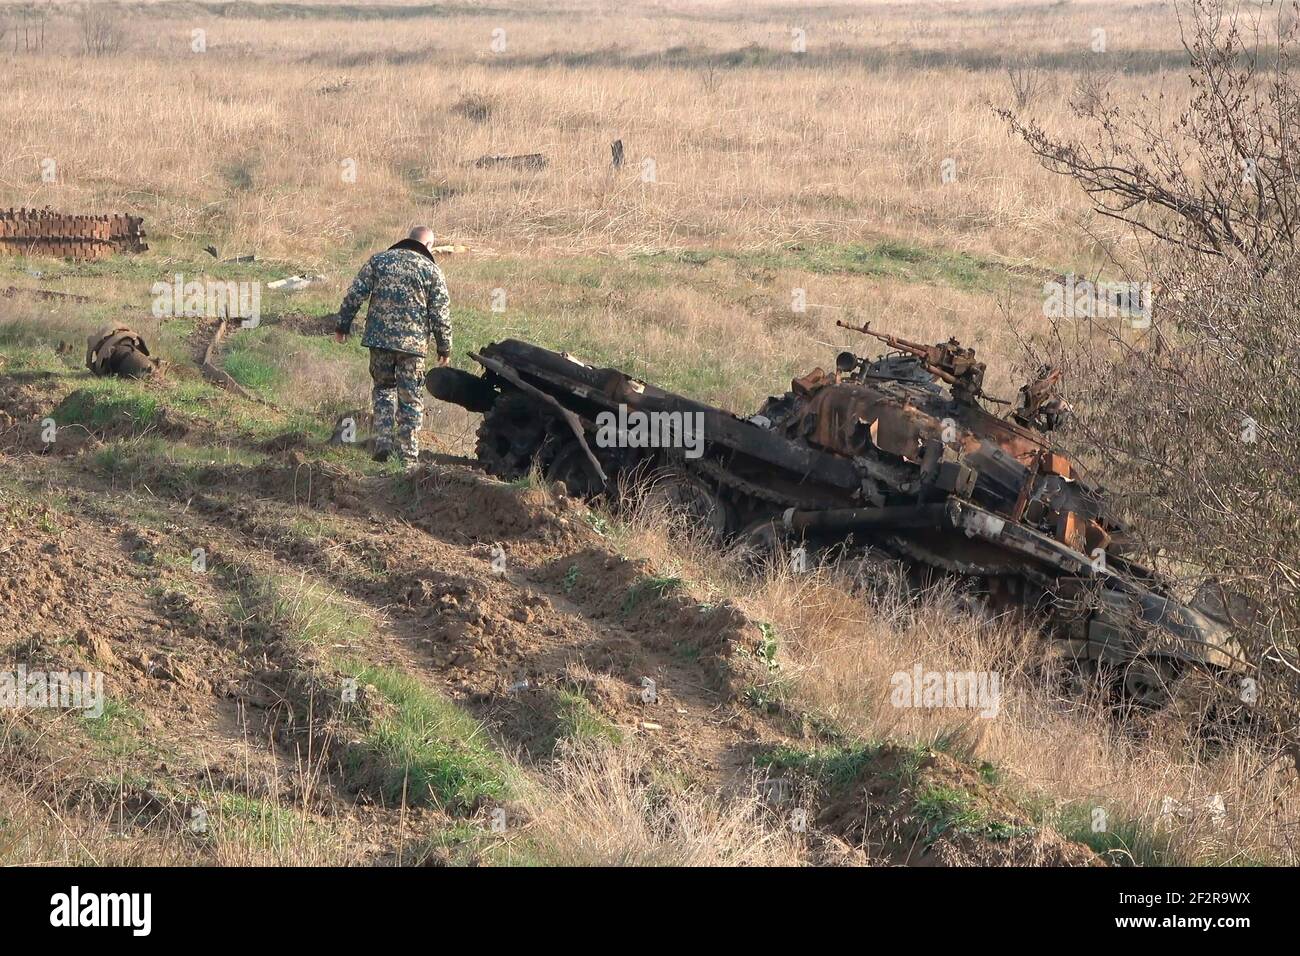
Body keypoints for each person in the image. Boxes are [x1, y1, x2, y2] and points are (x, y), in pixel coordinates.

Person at [334, 226, 451, 466]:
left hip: (380, 341)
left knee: (383, 390)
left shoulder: (379, 261)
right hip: (413, 347)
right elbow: (440, 314)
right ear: (428, 246)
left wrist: (343, 325)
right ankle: (408, 456)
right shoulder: (431, 271)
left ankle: (383, 443)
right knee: (410, 398)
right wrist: (444, 347)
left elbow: (355, 294)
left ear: (408, 239)